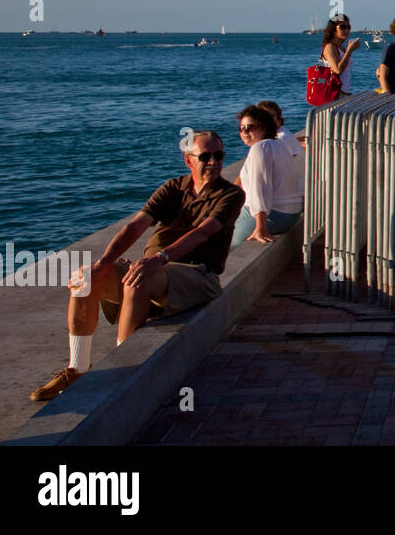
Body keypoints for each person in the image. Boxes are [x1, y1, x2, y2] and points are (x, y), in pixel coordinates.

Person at [30, 131, 243, 401]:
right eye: (205, 157)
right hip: (158, 271)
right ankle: (78, 368)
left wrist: (159, 259)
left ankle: (122, 373)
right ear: (188, 161)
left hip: (199, 275)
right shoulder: (173, 188)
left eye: (219, 155)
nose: (213, 162)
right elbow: (135, 225)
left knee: (138, 279)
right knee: (86, 278)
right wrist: (103, 264)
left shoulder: (231, 194)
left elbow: (203, 232)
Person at [232, 105, 304, 247]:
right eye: (241, 128)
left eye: (250, 128)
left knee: (224, 238)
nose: (244, 132)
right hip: (290, 213)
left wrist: (260, 227)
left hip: (273, 215)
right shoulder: (277, 144)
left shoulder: (261, 148)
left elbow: (261, 188)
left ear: (264, 127)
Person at [257, 100, 305, 198]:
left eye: (271, 116)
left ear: (278, 118)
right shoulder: (277, 136)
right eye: (264, 116)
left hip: (291, 194)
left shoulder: (282, 138)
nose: (268, 119)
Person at [321, 16, 360, 96]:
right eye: (343, 27)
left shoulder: (340, 48)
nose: (346, 30)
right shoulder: (330, 47)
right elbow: (337, 70)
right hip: (334, 93)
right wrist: (349, 50)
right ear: (334, 29)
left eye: (348, 27)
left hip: (343, 93)